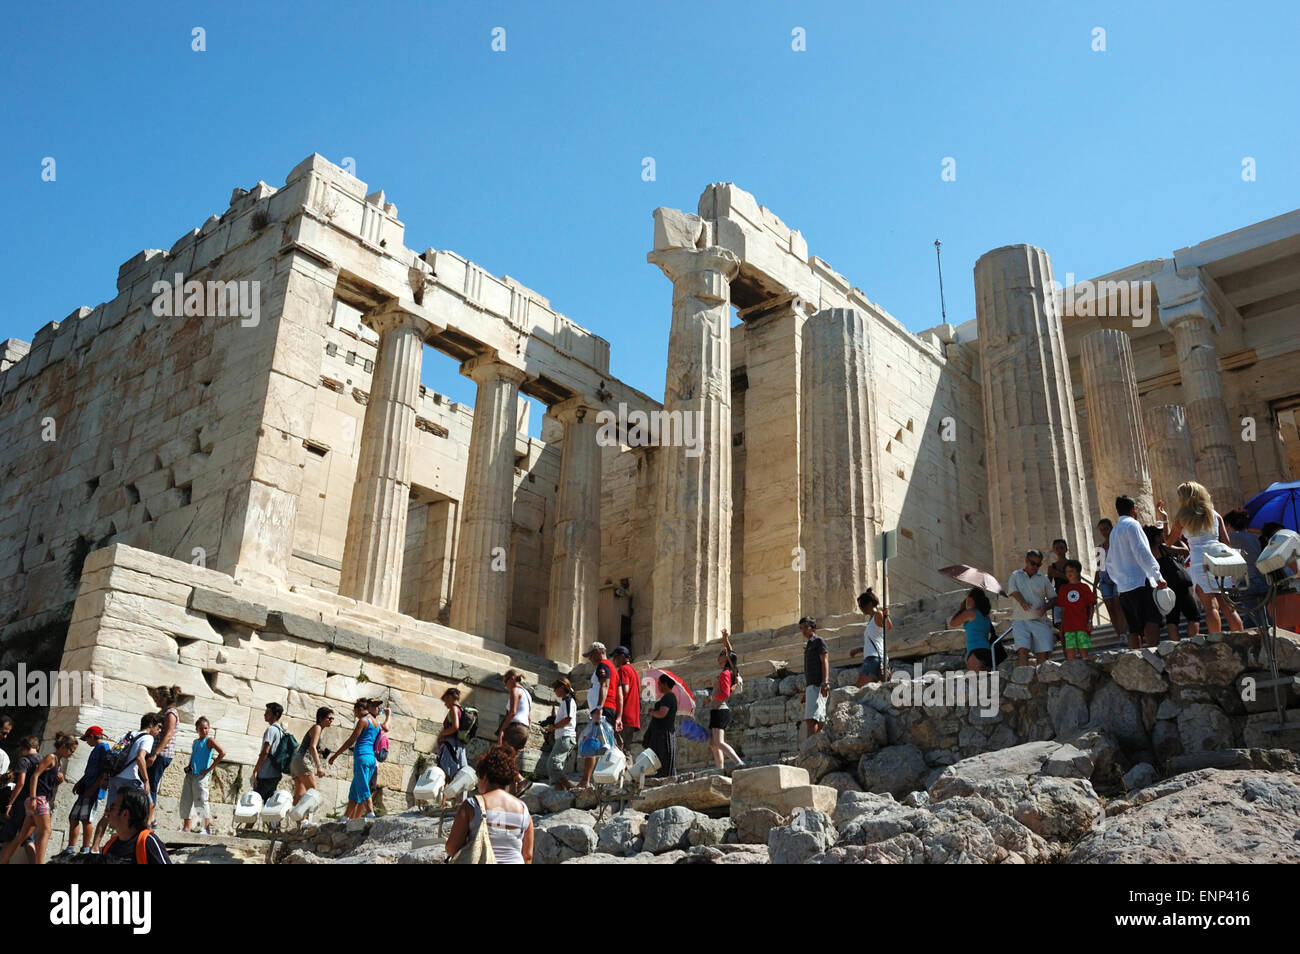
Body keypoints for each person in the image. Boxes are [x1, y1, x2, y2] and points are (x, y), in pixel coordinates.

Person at [1158, 482, 1244, 634]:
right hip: (1219, 556)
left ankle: (1217, 641)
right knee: (1228, 606)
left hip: (1200, 559)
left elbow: (1168, 542)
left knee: (1210, 606)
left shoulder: (1183, 518)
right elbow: (1227, 542)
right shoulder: (1214, 514)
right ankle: (1242, 636)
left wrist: (1165, 519)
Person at [445, 745, 534, 864]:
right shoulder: (523, 809)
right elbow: (527, 856)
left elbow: (452, 848)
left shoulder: (472, 805)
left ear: (485, 777)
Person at [0, 731, 77, 865]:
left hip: (40, 799)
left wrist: (59, 780)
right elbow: (35, 776)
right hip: (39, 799)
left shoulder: (58, 762)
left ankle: (4, 860)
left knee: (22, 836)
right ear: (63, 746)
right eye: (71, 750)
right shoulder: (50, 758)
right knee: (46, 831)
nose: (72, 753)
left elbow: (46, 781)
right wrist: (33, 798)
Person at [92, 713, 163, 853]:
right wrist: (147, 781)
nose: (159, 731)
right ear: (150, 725)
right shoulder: (148, 737)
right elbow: (140, 757)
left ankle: (94, 848)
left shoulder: (127, 735)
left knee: (108, 812)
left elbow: (112, 753)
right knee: (148, 806)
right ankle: (144, 844)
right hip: (130, 778)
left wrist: (106, 776)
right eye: (159, 727)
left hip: (115, 777)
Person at [1107, 495, 1169, 648]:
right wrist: (1157, 575)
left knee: (1133, 627)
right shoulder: (1132, 525)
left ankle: (1137, 658)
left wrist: (1118, 580)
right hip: (1140, 581)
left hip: (1123, 586)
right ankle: (1154, 651)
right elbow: (1141, 551)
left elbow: (1109, 562)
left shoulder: (1114, 531)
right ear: (1134, 509)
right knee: (1151, 618)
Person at [1144, 525, 1200, 640]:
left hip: (1165, 588)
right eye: (1160, 535)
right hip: (1179, 585)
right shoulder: (1164, 547)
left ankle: (1176, 645)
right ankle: (1195, 642)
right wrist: (1175, 539)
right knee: (1193, 615)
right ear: (1156, 538)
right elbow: (1185, 551)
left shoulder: (1147, 552)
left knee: (1172, 619)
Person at [329, 699, 380, 819]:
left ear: (360, 709)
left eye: (355, 712)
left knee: (363, 786)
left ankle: (371, 813)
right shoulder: (376, 724)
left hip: (361, 757)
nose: (355, 715)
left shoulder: (363, 721)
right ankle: (345, 817)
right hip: (371, 758)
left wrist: (335, 755)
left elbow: (352, 740)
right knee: (355, 789)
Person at [65, 726, 110, 856]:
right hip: (86, 788)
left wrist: (94, 787)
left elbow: (104, 771)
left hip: (93, 790)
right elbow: (92, 769)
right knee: (74, 817)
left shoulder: (103, 748)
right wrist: (81, 782)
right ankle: (71, 847)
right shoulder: (96, 749)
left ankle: (85, 848)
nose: (86, 742)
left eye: (87, 739)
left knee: (86, 819)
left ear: (91, 736)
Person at [578, 642, 618, 790]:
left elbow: (604, 686)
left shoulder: (603, 665)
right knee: (607, 744)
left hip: (602, 710)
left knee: (592, 745)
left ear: (600, 652)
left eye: (591, 655)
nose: (590, 659)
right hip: (607, 708)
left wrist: (599, 708)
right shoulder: (611, 667)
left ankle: (586, 781)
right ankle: (607, 779)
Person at [1007, 549, 1057, 665]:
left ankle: (1042, 679)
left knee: (1042, 653)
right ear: (1026, 561)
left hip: (1040, 620)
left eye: (1038, 564)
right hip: (1020, 620)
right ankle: (1023, 679)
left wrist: (1045, 607)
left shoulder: (1043, 579)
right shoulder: (1015, 575)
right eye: (1032, 563)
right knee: (1022, 650)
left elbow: (1054, 598)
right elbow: (1013, 591)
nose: (1035, 566)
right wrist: (1022, 602)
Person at [102, 788, 171, 864]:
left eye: (112, 808)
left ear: (125, 813)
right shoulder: (110, 845)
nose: (107, 812)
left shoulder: (147, 842)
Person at [180, 717, 225, 834]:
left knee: (201, 801)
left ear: (208, 728)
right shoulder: (196, 742)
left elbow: (222, 753)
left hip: (201, 776)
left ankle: (206, 827)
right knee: (186, 800)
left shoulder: (209, 741)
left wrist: (209, 769)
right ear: (197, 729)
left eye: (205, 728)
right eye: (201, 729)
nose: (203, 731)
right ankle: (186, 827)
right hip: (191, 773)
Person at [708, 630, 744, 770]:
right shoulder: (730, 671)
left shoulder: (725, 673)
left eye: (721, 654)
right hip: (716, 710)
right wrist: (725, 639)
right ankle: (719, 769)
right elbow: (730, 652)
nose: (718, 656)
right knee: (713, 743)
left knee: (718, 742)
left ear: (726, 658)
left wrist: (711, 697)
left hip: (719, 710)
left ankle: (739, 762)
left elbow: (725, 693)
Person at [146, 685, 182, 823]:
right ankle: (149, 816)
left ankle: (151, 817)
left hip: (161, 754)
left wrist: (155, 754)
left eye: (157, 697)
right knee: (148, 782)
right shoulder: (164, 711)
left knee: (152, 785)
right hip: (157, 752)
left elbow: (168, 735)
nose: (155, 700)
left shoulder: (170, 714)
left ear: (164, 698)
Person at [1226, 508, 1268, 627]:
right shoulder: (1253, 537)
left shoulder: (1232, 536)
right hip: (1261, 577)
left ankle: (1271, 640)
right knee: (1257, 614)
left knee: (1256, 617)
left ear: (1228, 525)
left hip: (1248, 580)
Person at [0, 736, 39, 861]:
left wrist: (10, 803)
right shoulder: (43, 760)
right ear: (37, 747)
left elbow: (20, 783)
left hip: (21, 803)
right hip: (35, 802)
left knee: (8, 836)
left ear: (23, 748)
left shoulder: (24, 760)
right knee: (28, 838)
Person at [497, 671, 533, 796]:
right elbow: (529, 717)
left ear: (512, 679)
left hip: (515, 729)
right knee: (511, 761)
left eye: (505, 681)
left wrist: (502, 729)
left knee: (504, 759)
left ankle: (521, 780)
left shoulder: (515, 691)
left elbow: (512, 713)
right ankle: (512, 793)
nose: (505, 685)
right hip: (524, 730)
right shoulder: (527, 694)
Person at [1095, 518, 1130, 645]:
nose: (1104, 532)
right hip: (1105, 580)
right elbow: (1099, 568)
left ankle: (1124, 632)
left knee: (1118, 605)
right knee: (1110, 608)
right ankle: (1119, 634)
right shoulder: (1100, 548)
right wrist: (1094, 586)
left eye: (1106, 529)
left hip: (1118, 578)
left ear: (1111, 528)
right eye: (1101, 530)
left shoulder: (1118, 544)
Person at [291, 707, 333, 808]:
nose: (331, 721)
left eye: (332, 719)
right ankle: (306, 820)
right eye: (329, 718)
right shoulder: (317, 727)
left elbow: (311, 747)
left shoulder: (318, 729)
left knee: (299, 795)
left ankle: (299, 821)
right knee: (312, 792)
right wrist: (319, 766)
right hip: (303, 760)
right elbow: (312, 747)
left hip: (297, 761)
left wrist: (322, 751)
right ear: (320, 718)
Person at [849, 588, 892, 687]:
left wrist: (887, 616)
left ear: (869, 604)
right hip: (871, 658)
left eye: (861, 605)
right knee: (865, 690)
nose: (860, 608)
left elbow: (888, 627)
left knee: (860, 690)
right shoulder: (871, 620)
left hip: (874, 659)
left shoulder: (877, 614)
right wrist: (858, 650)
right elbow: (873, 641)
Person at [1056, 560, 1097, 660]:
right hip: (1069, 626)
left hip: (1082, 624)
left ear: (1078, 572)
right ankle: (1072, 672)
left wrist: (1090, 621)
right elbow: (1062, 608)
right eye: (1067, 571)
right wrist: (1062, 626)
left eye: (1072, 571)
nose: (1069, 573)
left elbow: (1091, 606)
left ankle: (1086, 670)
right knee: (1070, 650)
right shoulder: (1063, 589)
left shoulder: (1084, 587)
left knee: (1084, 651)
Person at [250, 702, 287, 808]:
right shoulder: (281, 731)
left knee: (254, 802)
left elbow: (265, 752)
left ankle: (248, 825)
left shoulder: (271, 730)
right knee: (269, 806)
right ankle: (273, 824)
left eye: (268, 712)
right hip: (275, 774)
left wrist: (256, 770)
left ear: (275, 714)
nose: (264, 714)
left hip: (265, 773)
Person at [543, 678, 578, 789]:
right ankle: (558, 791)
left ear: (562, 688)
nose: (554, 691)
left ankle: (570, 786)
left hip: (566, 737)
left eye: (555, 688)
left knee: (553, 764)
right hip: (563, 737)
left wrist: (553, 727)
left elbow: (568, 719)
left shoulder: (568, 700)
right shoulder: (565, 701)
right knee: (557, 766)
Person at [950, 588, 995, 671]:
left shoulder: (970, 613)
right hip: (987, 651)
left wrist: (962, 608)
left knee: (974, 681)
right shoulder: (986, 616)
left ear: (971, 599)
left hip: (975, 650)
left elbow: (952, 623)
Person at [801, 617, 830, 737]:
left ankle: (810, 750)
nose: (803, 630)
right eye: (801, 628)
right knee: (817, 718)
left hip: (818, 685)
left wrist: (825, 682)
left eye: (805, 627)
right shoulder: (809, 645)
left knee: (811, 719)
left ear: (812, 628)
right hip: (811, 686)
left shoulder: (819, 641)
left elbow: (825, 661)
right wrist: (806, 692)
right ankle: (816, 748)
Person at [645, 674, 678, 778]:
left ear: (665, 684)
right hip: (660, 733)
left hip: (664, 734)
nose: (658, 686)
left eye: (659, 684)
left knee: (664, 760)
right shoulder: (667, 697)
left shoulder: (669, 696)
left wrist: (651, 712)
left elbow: (662, 713)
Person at [611, 647, 642, 752]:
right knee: (626, 750)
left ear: (622, 657)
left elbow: (625, 690)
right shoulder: (634, 672)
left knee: (618, 749)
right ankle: (629, 767)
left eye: (615, 657)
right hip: (633, 717)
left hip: (625, 715)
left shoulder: (623, 669)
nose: (613, 660)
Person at [436, 689, 469, 782]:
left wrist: (442, 733)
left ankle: (444, 796)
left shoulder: (454, 708)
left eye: (445, 700)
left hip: (450, 746)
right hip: (457, 746)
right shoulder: (461, 709)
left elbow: (455, 726)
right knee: (452, 776)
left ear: (450, 697)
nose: (445, 704)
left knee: (446, 775)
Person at [1046, 538, 1070, 631]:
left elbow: (1076, 580)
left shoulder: (1072, 564)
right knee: (1060, 626)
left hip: (1071, 596)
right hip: (1059, 597)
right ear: (1054, 550)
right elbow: (1048, 584)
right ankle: (1065, 645)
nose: (1059, 551)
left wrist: (1058, 574)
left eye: (1061, 548)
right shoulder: (1051, 567)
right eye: (1057, 548)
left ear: (1066, 549)